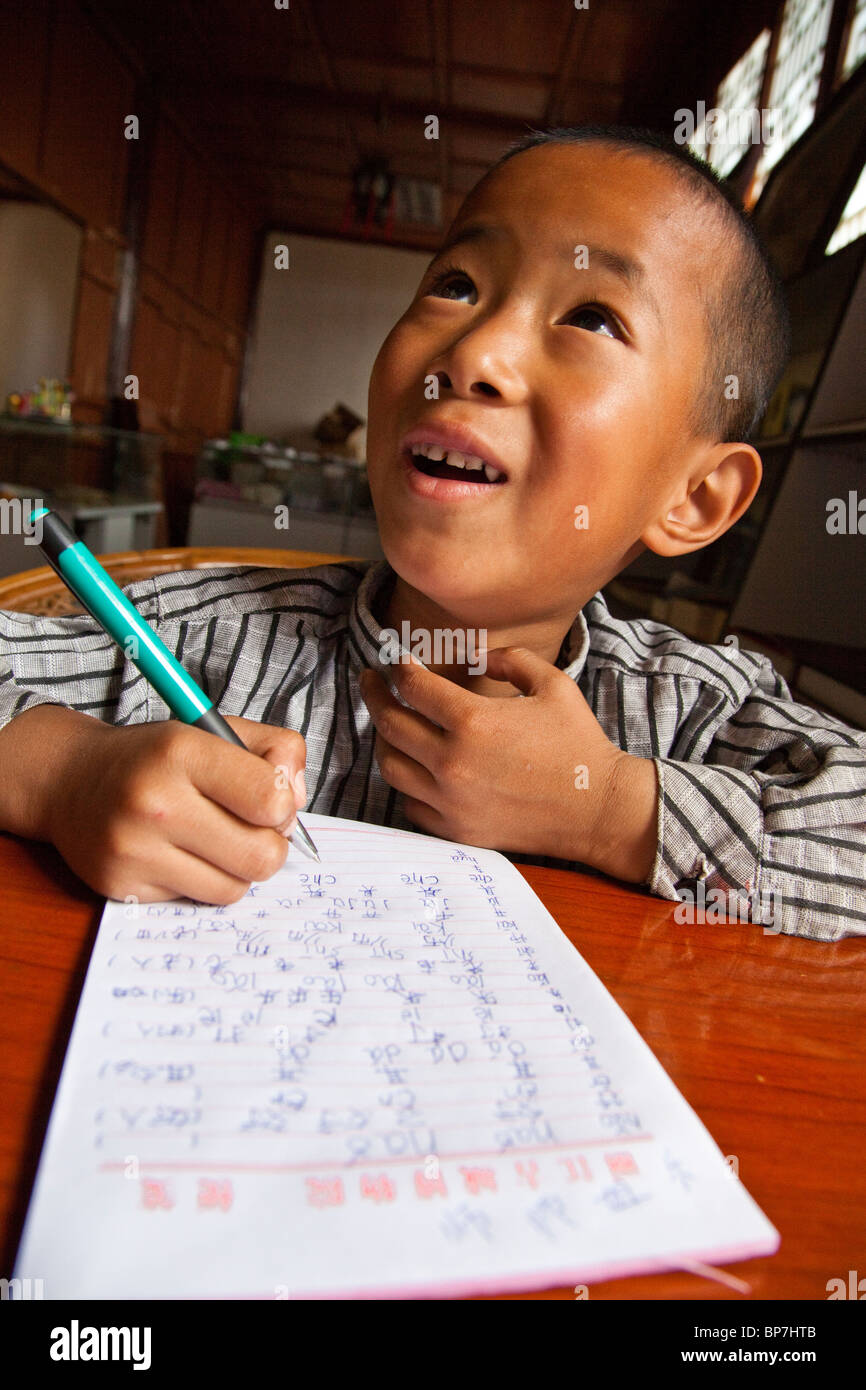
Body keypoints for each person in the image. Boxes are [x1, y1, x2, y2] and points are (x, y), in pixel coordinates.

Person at [0, 126, 863, 941]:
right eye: (456, 287)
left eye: (593, 318)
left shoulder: (692, 707)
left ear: (697, 497)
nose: (476, 352)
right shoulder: (197, 639)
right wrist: (64, 776)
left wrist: (605, 808)